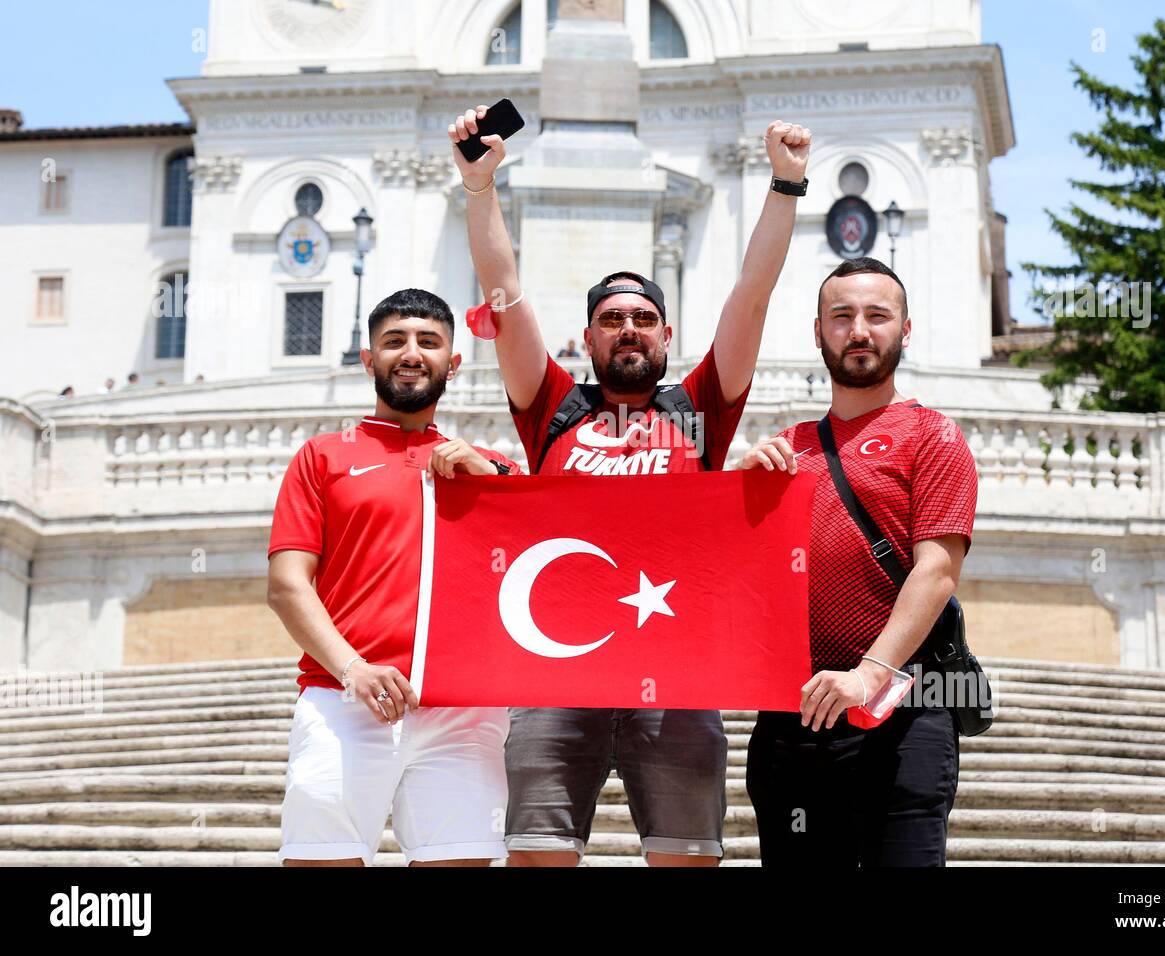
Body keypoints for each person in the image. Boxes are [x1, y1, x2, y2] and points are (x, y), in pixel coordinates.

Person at [446, 104, 811, 867]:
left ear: (667, 338)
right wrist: (480, 188)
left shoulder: (700, 411)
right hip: (555, 678)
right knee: (537, 858)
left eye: (644, 318)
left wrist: (784, 184)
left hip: (676, 680)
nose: (629, 330)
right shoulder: (550, 408)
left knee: (687, 860)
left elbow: (750, 295)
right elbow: (503, 287)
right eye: (612, 320)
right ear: (588, 340)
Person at [267, 288, 523, 867]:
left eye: (429, 342)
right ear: (368, 359)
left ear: (453, 362)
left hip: (464, 710)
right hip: (342, 697)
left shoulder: (494, 468)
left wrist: (489, 488)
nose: (412, 353)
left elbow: (535, 576)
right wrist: (352, 669)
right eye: (395, 341)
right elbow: (287, 585)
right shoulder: (322, 456)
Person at [740, 256, 978, 867]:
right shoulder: (785, 449)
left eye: (878, 315)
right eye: (841, 316)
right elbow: (730, 576)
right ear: (817, 332)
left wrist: (868, 676)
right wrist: (735, 493)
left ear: (905, 328)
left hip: (904, 709)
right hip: (796, 716)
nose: (860, 330)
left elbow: (936, 570)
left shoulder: (934, 436)